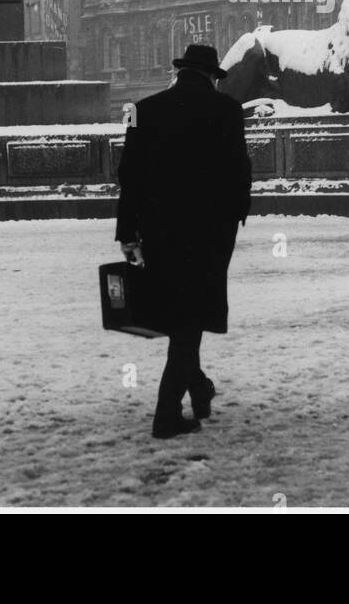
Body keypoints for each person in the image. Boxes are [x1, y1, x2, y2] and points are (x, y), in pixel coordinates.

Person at [115, 44, 252, 439]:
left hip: (159, 233)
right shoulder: (227, 111)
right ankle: (166, 415)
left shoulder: (145, 109)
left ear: (179, 73)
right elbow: (238, 172)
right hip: (209, 235)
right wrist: (234, 217)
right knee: (190, 322)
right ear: (211, 76)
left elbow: (131, 176)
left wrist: (128, 233)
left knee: (179, 316)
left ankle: (199, 388)